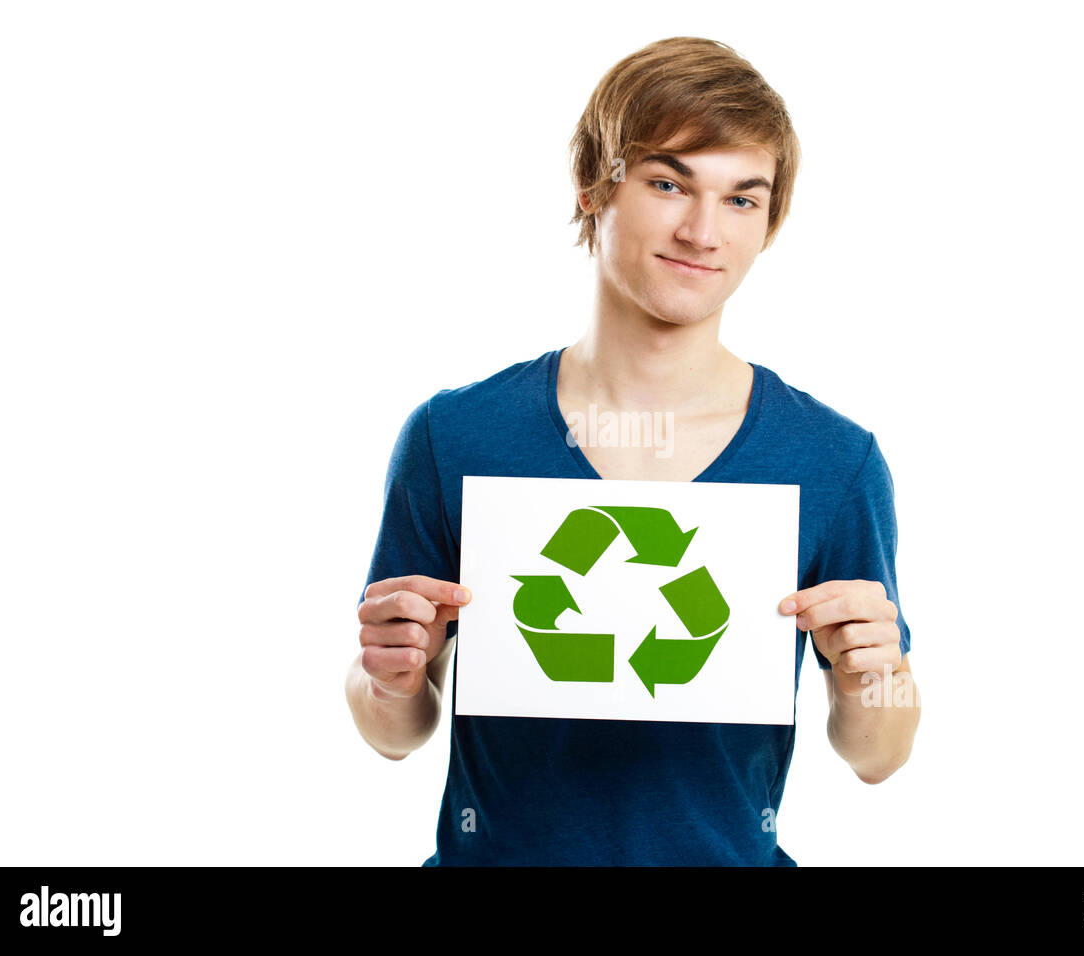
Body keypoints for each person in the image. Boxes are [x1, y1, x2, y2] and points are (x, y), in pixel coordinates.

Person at [345, 36, 921, 866]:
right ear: (593, 184)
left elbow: (878, 755)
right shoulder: (455, 436)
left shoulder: (834, 460)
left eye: (741, 200)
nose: (701, 231)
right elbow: (394, 730)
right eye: (667, 184)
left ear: (769, 223)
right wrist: (387, 677)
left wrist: (877, 674)